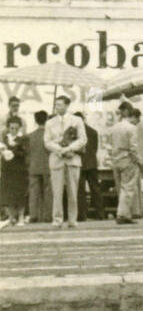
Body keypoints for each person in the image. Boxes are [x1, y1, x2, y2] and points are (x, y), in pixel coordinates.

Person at [44, 95, 87, 228]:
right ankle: (57, 219)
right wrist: (60, 150)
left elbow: (83, 139)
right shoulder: (50, 122)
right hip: (57, 159)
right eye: (56, 105)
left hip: (72, 158)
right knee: (57, 191)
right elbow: (47, 142)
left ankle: (72, 219)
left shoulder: (77, 120)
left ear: (67, 105)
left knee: (73, 191)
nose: (57, 107)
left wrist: (70, 148)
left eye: (60, 105)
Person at [109, 102, 140, 225]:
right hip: (127, 159)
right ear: (134, 117)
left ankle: (126, 214)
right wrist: (138, 160)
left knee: (120, 188)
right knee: (128, 188)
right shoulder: (132, 128)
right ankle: (122, 214)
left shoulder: (115, 127)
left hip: (116, 159)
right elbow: (133, 148)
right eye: (138, 119)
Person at [0, 116, 29, 226]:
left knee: (20, 193)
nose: (14, 130)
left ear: (20, 128)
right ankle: (11, 216)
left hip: (19, 169)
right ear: (8, 128)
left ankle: (21, 217)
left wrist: (13, 150)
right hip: (7, 169)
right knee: (9, 193)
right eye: (12, 128)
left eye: (16, 128)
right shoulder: (5, 138)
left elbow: (25, 153)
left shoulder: (24, 139)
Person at [75, 112, 102, 220]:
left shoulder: (75, 133)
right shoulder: (93, 131)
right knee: (95, 189)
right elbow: (95, 148)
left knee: (80, 190)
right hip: (92, 163)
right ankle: (100, 213)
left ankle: (82, 214)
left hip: (80, 164)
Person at [27, 110, 52, 223]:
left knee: (34, 192)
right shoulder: (49, 135)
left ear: (35, 120)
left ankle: (34, 215)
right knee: (48, 192)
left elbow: (27, 153)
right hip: (47, 166)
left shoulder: (30, 136)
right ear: (46, 119)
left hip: (33, 167)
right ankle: (47, 215)